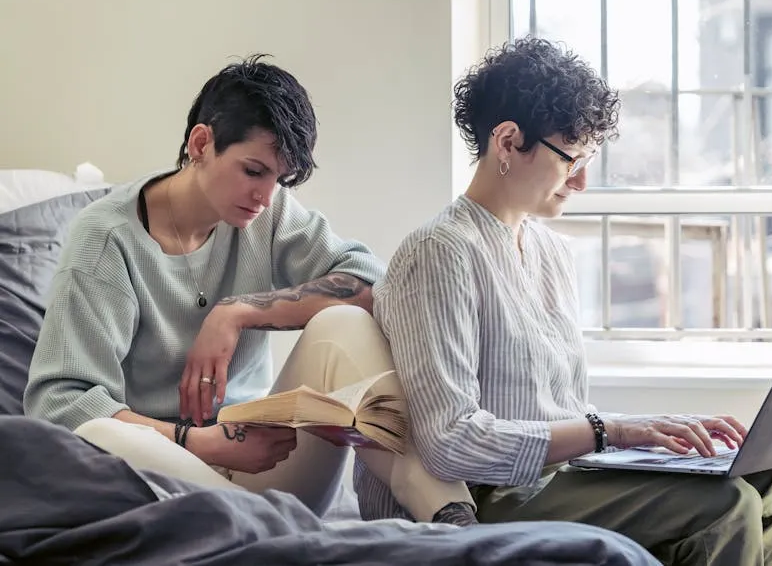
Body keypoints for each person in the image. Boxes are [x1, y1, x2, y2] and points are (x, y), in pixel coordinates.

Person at [356, 37, 772, 565]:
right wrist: (610, 432)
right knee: (723, 504)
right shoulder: (439, 253)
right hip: (488, 496)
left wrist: (658, 432)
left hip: (559, 478)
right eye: (572, 158)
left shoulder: (549, 252)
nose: (582, 180)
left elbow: (559, 412)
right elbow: (449, 440)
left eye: (590, 158)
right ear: (507, 142)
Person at [23, 54, 477, 526]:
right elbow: (59, 404)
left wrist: (238, 310)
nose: (265, 195)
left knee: (345, 321)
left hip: (266, 470)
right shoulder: (105, 239)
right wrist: (195, 441)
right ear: (201, 143)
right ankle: (262, 531)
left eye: (278, 179)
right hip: (163, 475)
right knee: (101, 431)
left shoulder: (269, 211)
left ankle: (449, 513)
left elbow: (368, 281)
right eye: (253, 171)